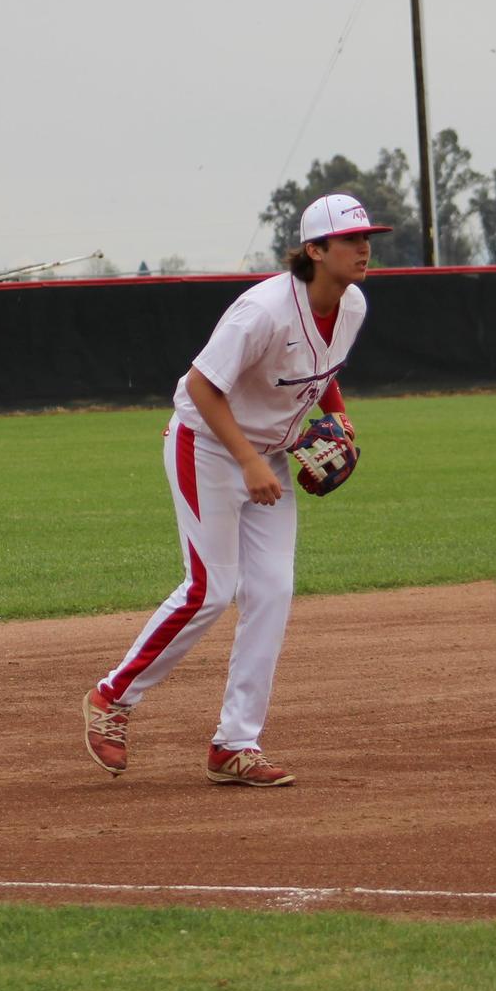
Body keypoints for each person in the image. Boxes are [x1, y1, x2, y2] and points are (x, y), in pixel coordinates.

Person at [83, 193, 387, 787]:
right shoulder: (263, 311)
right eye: (351, 239)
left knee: (272, 591)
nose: (364, 248)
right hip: (207, 447)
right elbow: (200, 386)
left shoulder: (351, 305)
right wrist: (249, 461)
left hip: (266, 456)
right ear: (315, 250)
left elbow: (324, 374)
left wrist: (342, 419)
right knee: (211, 589)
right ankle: (110, 700)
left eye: (367, 237)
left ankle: (234, 744)